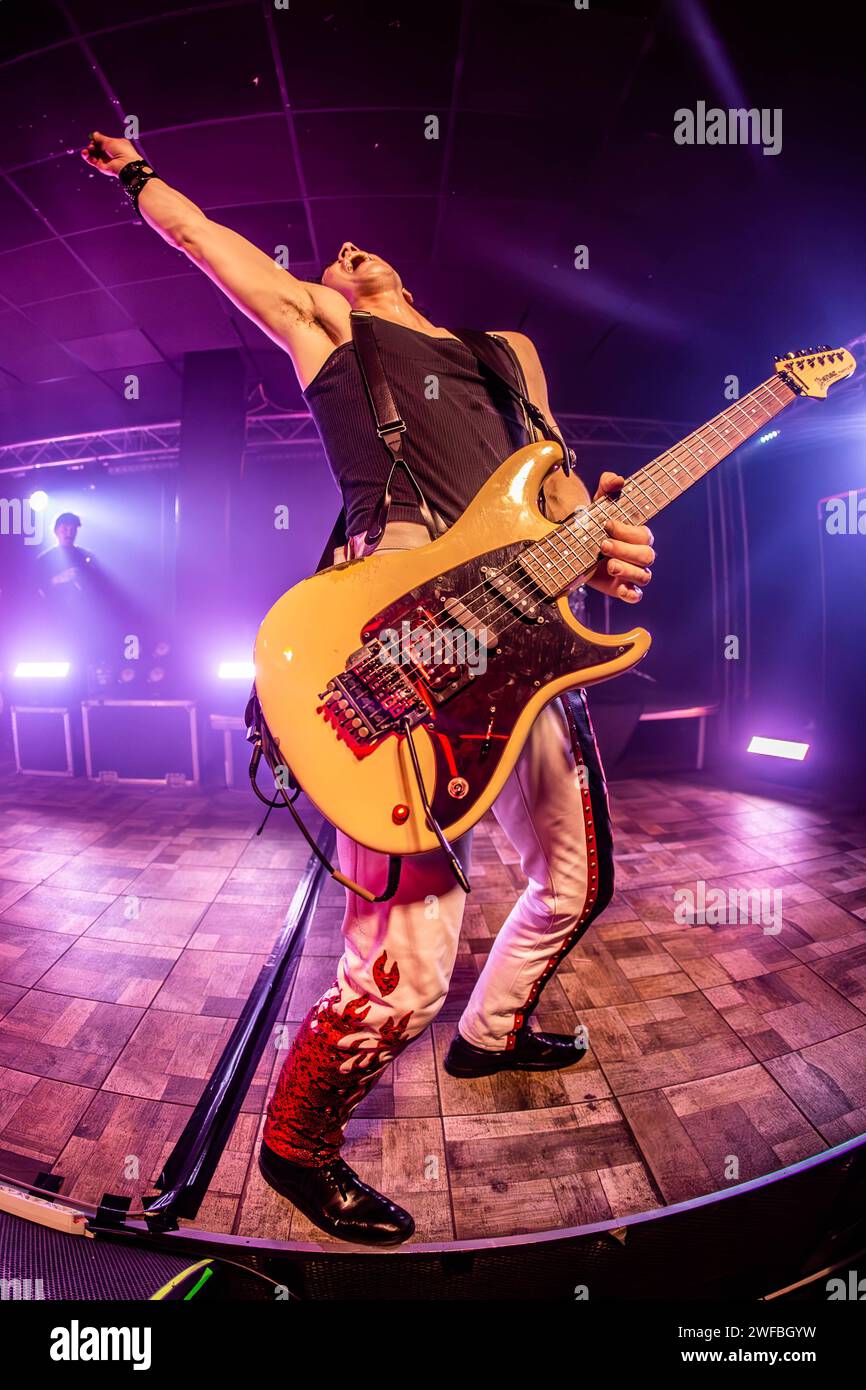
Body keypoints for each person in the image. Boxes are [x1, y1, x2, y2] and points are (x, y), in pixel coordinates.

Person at [83, 131, 656, 1246]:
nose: (347, 248)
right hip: (404, 655)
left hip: (531, 649)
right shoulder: (327, 326)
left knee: (577, 881)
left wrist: (605, 542)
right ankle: (298, 1145)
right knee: (404, 964)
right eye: (332, 254)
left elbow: (558, 499)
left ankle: (493, 1033)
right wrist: (140, 174)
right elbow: (202, 242)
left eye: (359, 248)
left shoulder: (510, 352)